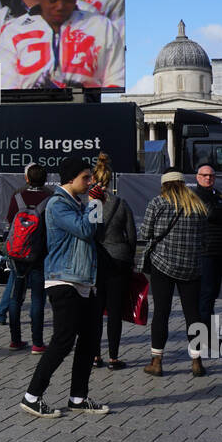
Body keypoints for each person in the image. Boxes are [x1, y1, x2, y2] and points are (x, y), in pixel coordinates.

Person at [19, 156, 110, 418]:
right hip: (63, 279)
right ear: (71, 178)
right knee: (63, 340)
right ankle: (32, 396)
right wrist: (94, 203)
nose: (90, 181)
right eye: (86, 177)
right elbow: (85, 230)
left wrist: (95, 206)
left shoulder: (78, 202)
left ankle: (78, 397)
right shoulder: (58, 204)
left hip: (84, 280)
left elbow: (97, 232)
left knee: (90, 340)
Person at [0, 0, 125, 89]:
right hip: (28, 110)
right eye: (53, 0)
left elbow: (117, 79)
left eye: (68, 0)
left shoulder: (101, 27)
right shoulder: (13, 31)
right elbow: (0, 86)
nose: (60, 6)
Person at [141, 171, 210, 378]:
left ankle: (156, 361)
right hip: (192, 267)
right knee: (193, 314)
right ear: (182, 183)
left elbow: (145, 233)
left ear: (165, 185)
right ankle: (197, 361)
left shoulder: (158, 202)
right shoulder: (197, 204)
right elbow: (205, 238)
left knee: (162, 312)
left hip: (163, 265)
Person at [0, 165, 51, 353]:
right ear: (45, 178)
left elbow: (10, 221)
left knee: (15, 298)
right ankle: (37, 343)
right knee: (37, 298)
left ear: (27, 178)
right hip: (38, 254)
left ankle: (15, 340)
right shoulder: (49, 197)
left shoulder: (18, 195)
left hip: (17, 253)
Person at [89, 154, 136, 369]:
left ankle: (95, 355)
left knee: (95, 312)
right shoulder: (122, 204)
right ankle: (114, 357)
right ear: (110, 181)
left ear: (93, 180)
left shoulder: (89, 206)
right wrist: (131, 257)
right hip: (119, 261)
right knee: (115, 312)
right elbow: (132, 236)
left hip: (97, 262)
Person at [194, 163, 222, 342]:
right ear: (198, 177)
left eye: (211, 175)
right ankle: (204, 336)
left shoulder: (217, 195)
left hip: (219, 250)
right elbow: (211, 213)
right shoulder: (196, 195)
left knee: (213, 294)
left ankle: (209, 333)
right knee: (205, 295)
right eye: (205, 175)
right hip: (205, 250)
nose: (208, 178)